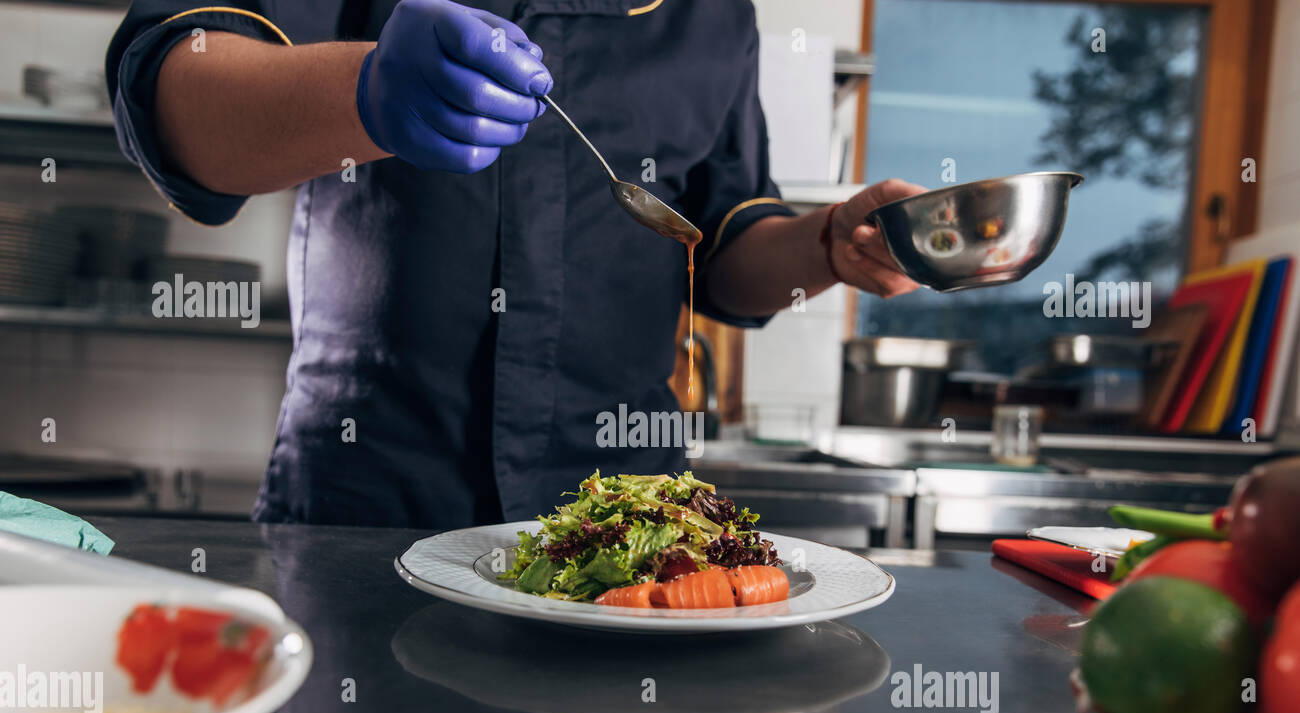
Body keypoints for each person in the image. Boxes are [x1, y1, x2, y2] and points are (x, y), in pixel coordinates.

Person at [107, 0, 923, 528]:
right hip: (368, 507)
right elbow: (177, 93)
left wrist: (828, 247)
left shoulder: (711, 18)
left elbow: (724, 251)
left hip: (624, 520)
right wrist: (368, 90)